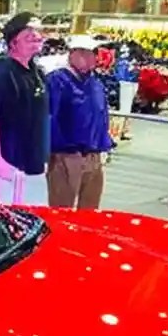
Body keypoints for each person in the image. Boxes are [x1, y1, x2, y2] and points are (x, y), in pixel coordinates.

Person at [0, 13, 50, 204]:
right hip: (8, 165)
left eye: (39, 30)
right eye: (29, 30)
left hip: (33, 164)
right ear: (13, 39)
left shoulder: (37, 72)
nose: (36, 35)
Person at [46, 35, 114, 209]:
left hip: (94, 155)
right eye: (86, 53)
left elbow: (101, 115)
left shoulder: (95, 83)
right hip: (66, 155)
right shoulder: (57, 81)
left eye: (92, 53)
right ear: (73, 54)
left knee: (90, 209)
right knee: (62, 210)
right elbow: (49, 116)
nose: (92, 58)